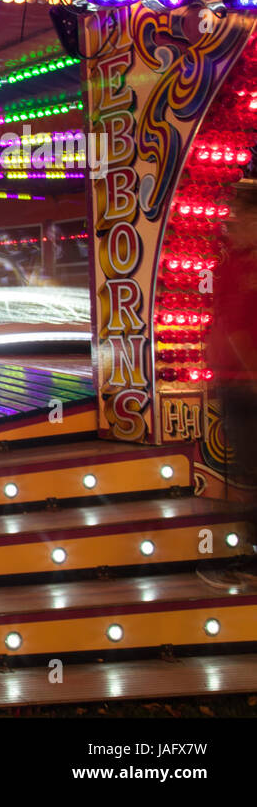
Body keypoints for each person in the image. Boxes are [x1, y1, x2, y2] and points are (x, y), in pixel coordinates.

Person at [199, 184, 257, 590]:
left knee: (251, 473)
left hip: (245, 382)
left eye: (238, 218)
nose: (230, 225)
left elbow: (237, 328)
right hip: (235, 380)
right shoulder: (233, 263)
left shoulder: (244, 265)